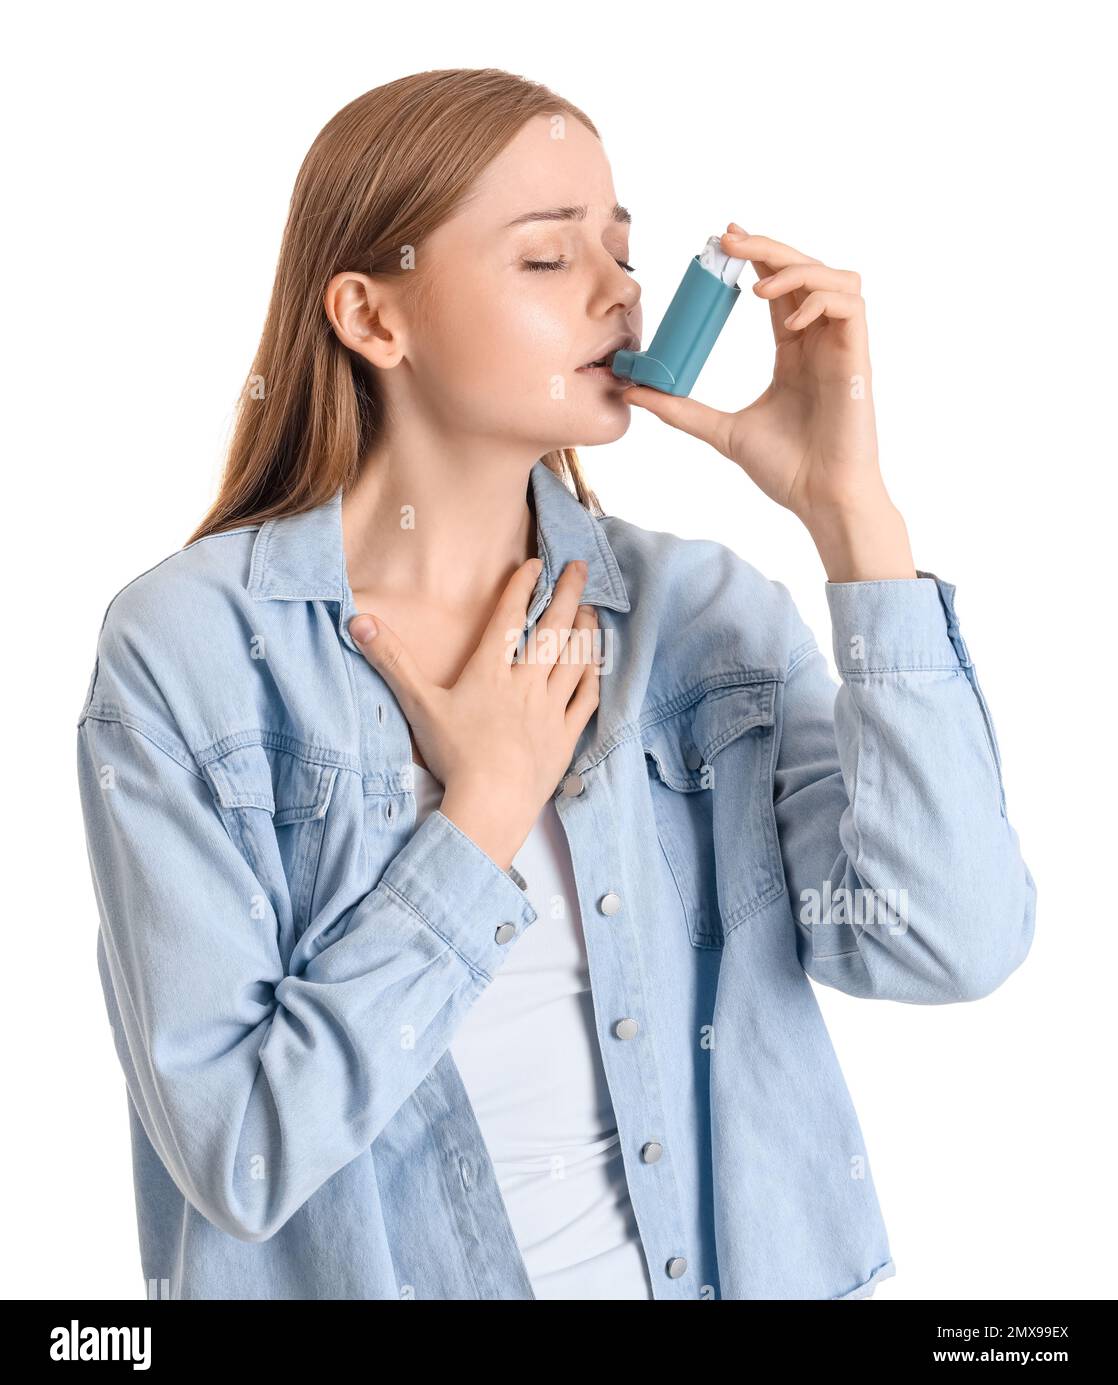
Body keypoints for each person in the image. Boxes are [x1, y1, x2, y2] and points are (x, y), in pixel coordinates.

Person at [76, 67, 1036, 1301]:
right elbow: (239, 1152)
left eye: (622, 248)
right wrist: (481, 811)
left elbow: (943, 942)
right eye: (546, 258)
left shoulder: (706, 617)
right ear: (374, 319)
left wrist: (854, 523)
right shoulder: (189, 653)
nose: (621, 292)